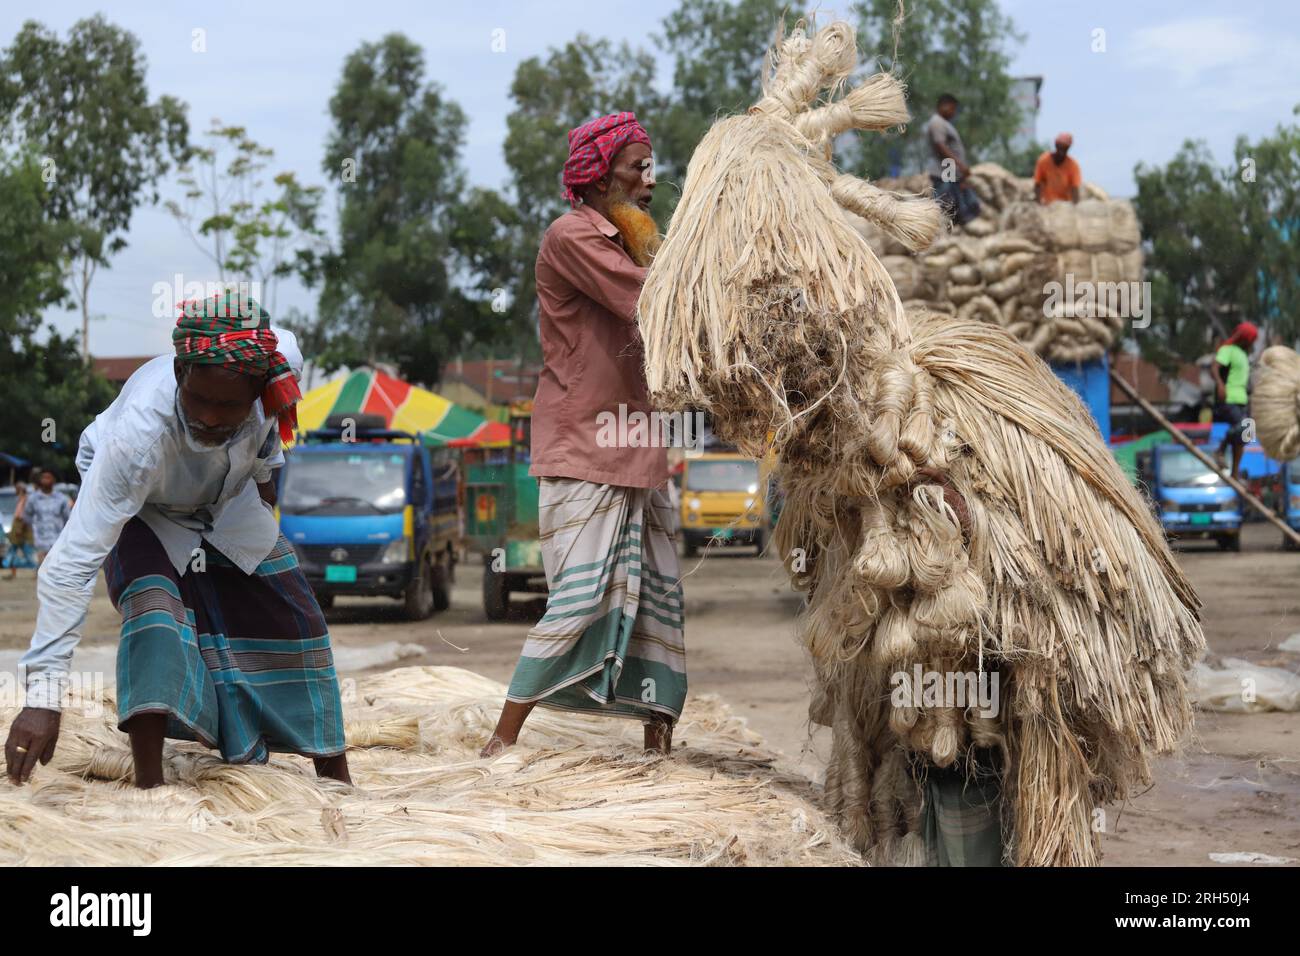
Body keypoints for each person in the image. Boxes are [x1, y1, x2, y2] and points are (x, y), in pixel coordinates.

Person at [5, 292, 348, 789]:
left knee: (296, 615)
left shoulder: (279, 370)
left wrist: (265, 478)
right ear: (181, 374)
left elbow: (271, 442)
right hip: (145, 506)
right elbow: (69, 566)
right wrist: (42, 698)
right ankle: (152, 789)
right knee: (155, 615)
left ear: (258, 392)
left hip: (225, 502)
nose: (209, 417)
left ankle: (337, 779)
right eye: (199, 399)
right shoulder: (136, 440)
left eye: (228, 405)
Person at [481, 112, 686, 757]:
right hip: (587, 450)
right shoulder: (573, 237)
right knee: (579, 597)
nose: (648, 182)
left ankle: (659, 744)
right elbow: (657, 305)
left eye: (651, 168)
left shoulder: (630, 241)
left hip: (640, 447)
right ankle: (500, 743)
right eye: (636, 168)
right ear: (598, 177)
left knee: (657, 595)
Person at [1212, 321, 1258, 481]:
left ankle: (1235, 472)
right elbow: (1215, 367)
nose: (1252, 343)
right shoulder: (1227, 350)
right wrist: (1220, 384)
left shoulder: (1244, 355)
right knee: (1241, 427)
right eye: (1251, 339)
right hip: (1229, 398)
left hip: (1242, 399)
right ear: (1244, 338)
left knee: (1247, 433)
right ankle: (1220, 449)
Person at [927, 93, 980, 226]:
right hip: (943, 171)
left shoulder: (945, 123)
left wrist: (960, 176)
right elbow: (941, 146)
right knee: (944, 206)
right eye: (952, 108)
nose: (953, 112)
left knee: (960, 206)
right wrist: (961, 165)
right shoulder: (937, 122)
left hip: (950, 170)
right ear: (944, 106)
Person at [25, 470, 71, 565]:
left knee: (55, 568)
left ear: (54, 480)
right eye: (43, 477)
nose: (45, 480)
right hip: (39, 541)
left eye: (48, 477)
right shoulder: (33, 498)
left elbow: (68, 518)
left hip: (57, 540)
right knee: (42, 570)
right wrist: (30, 532)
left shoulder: (61, 498)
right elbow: (27, 515)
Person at [1033, 133, 1082, 205]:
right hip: (1047, 204)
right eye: (1060, 147)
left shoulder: (1073, 166)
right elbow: (1038, 183)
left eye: (1065, 148)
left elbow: (1074, 188)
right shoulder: (1043, 161)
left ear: (1068, 148)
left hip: (1065, 205)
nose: (1062, 150)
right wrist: (1038, 202)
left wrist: (1075, 206)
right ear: (1056, 146)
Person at [3, 482, 37, 578]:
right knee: (13, 550)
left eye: (17, 488)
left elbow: (24, 516)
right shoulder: (20, 499)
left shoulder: (25, 499)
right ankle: (12, 572)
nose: (16, 490)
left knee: (27, 552)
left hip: (22, 529)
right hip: (17, 527)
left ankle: (36, 570)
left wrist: (19, 529)